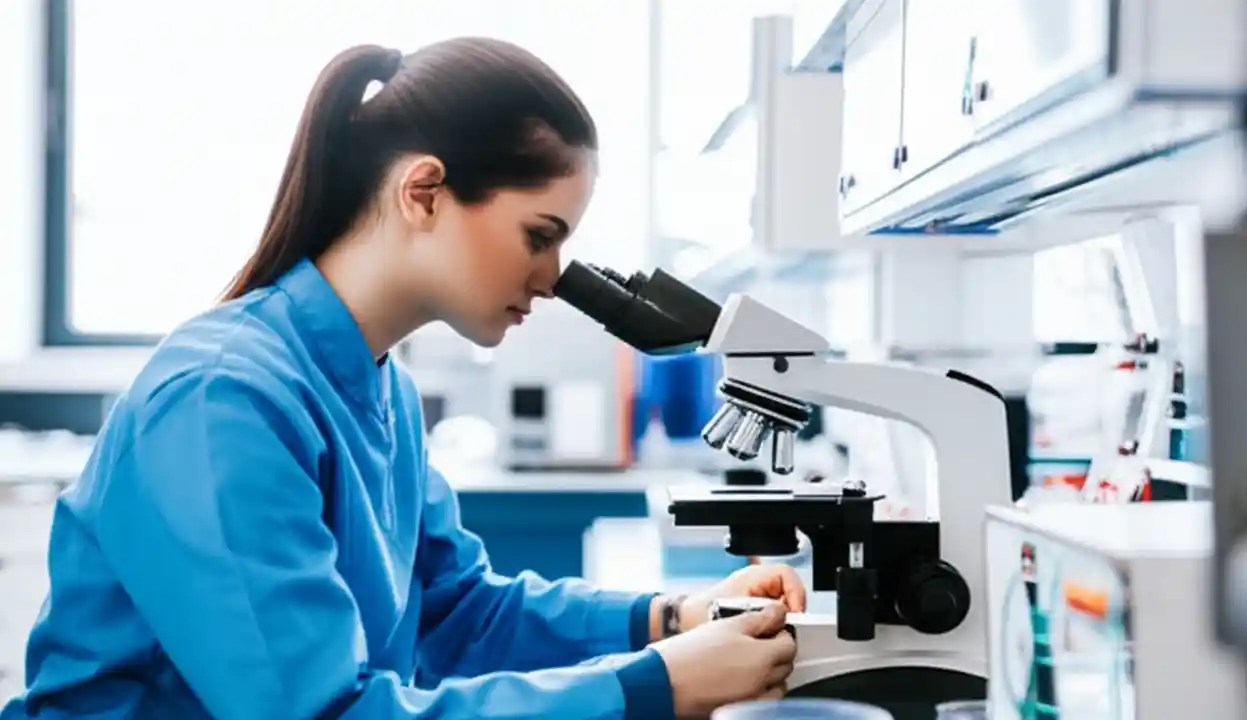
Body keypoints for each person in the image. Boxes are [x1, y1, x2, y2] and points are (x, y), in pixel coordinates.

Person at [1, 38, 802, 720]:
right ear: (423, 193)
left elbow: (458, 614)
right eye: (539, 235)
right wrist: (653, 686)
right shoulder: (223, 402)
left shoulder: (381, 390)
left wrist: (671, 619)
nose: (553, 278)